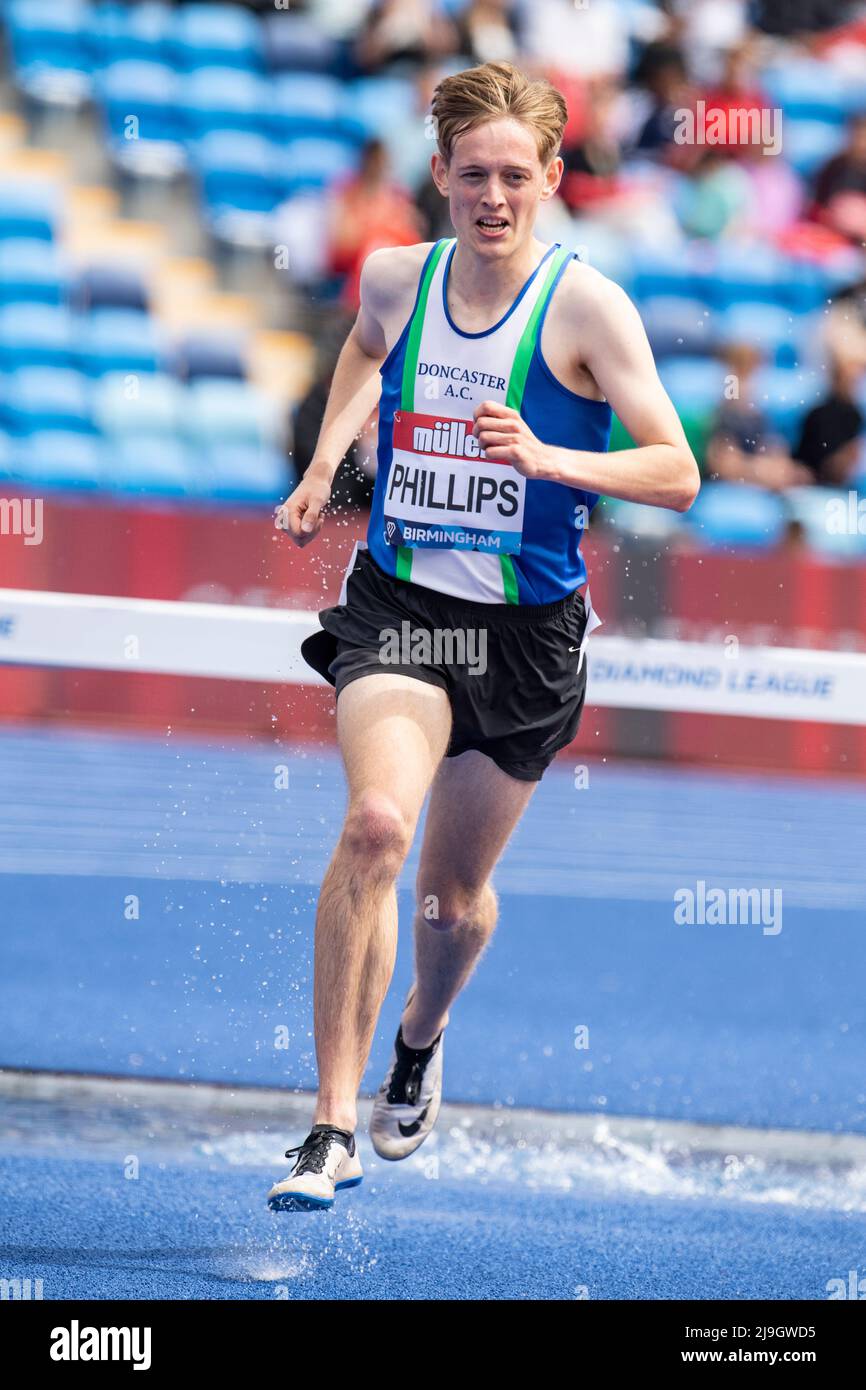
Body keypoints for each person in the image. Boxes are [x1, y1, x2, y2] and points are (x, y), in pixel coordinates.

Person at [270, 59, 700, 1211]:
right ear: (439, 177)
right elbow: (362, 351)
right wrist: (325, 467)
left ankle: (419, 1034)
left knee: (450, 901)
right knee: (373, 826)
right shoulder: (395, 280)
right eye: (473, 175)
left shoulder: (584, 306)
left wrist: (552, 456)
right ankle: (325, 1126)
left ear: (553, 176)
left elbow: (677, 470)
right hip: (402, 610)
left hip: (522, 637)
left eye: (517, 174)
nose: (494, 195)